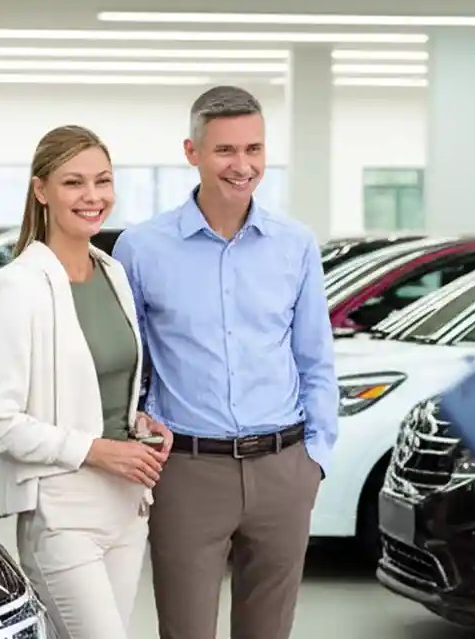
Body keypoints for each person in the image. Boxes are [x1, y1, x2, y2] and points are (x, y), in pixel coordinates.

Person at [111, 86, 338, 639]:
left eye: (254, 149)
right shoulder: (140, 249)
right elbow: (129, 366)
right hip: (188, 472)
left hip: (284, 466)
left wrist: (316, 458)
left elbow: (315, 357)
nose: (243, 166)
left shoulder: (296, 244)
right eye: (225, 151)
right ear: (192, 152)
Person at [0, 125, 174, 639]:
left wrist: (138, 423)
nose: (93, 197)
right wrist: (98, 450)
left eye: (103, 181)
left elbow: (107, 385)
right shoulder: (17, 285)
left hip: (129, 505)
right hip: (62, 511)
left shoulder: (113, 273)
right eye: (74, 183)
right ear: (41, 190)